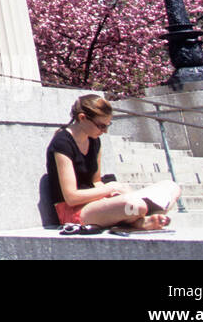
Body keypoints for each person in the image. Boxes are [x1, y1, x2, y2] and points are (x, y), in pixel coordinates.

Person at [47, 94, 180, 232]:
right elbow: (71, 198)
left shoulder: (94, 140)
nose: (104, 131)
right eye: (101, 126)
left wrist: (114, 195)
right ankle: (139, 221)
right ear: (82, 118)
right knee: (135, 205)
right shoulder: (62, 143)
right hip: (74, 211)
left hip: (99, 203)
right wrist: (111, 188)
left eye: (108, 125)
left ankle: (139, 220)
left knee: (171, 187)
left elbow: (96, 182)